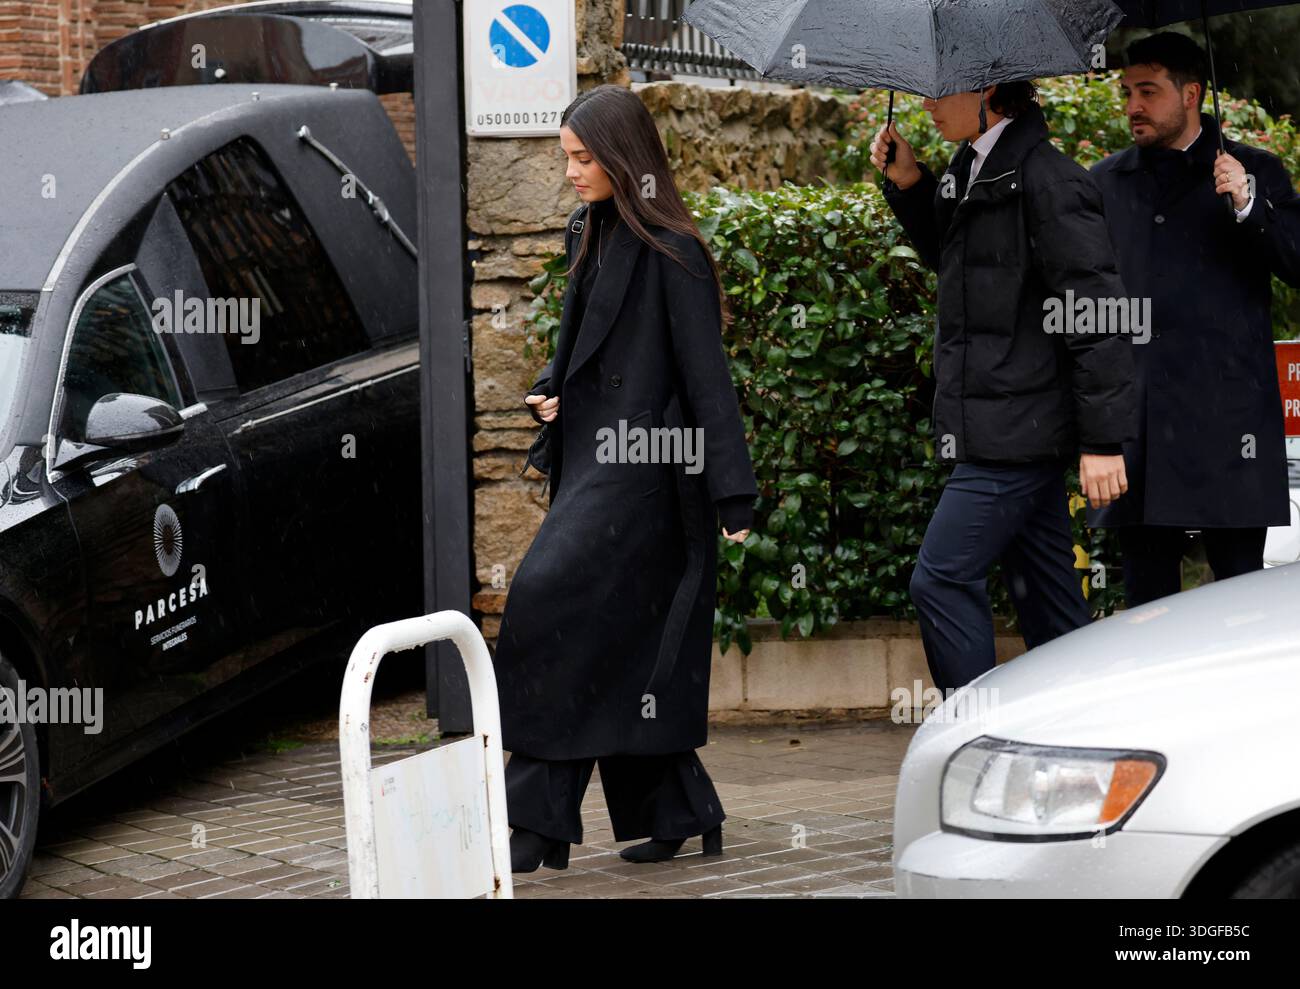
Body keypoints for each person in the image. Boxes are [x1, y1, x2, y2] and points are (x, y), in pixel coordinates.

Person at [493, 84, 759, 873]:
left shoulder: (675, 251)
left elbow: (709, 382)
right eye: (566, 157)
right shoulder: (591, 227)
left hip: (646, 483)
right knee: (618, 646)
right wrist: (551, 385)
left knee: (549, 607)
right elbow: (581, 342)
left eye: (583, 158)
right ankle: (680, 808)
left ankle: (533, 823)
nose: (570, 172)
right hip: (594, 470)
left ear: (623, 157)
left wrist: (732, 496)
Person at [868, 81, 1136, 691]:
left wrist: (1103, 440)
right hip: (1002, 427)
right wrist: (910, 184)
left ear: (989, 89)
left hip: (1018, 432)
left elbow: (1096, 314)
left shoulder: (1049, 181)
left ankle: (973, 740)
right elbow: (960, 266)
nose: (927, 103)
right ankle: (1085, 731)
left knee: (939, 577)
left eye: (939, 90)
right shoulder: (974, 169)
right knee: (1048, 601)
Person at [1088, 32, 1300, 605]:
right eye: (1128, 91)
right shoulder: (1104, 182)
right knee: (1145, 613)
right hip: (1143, 437)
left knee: (1241, 609)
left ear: (1191, 94)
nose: (1133, 105)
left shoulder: (1254, 170)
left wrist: (1249, 206)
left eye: (1148, 91)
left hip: (1230, 435)